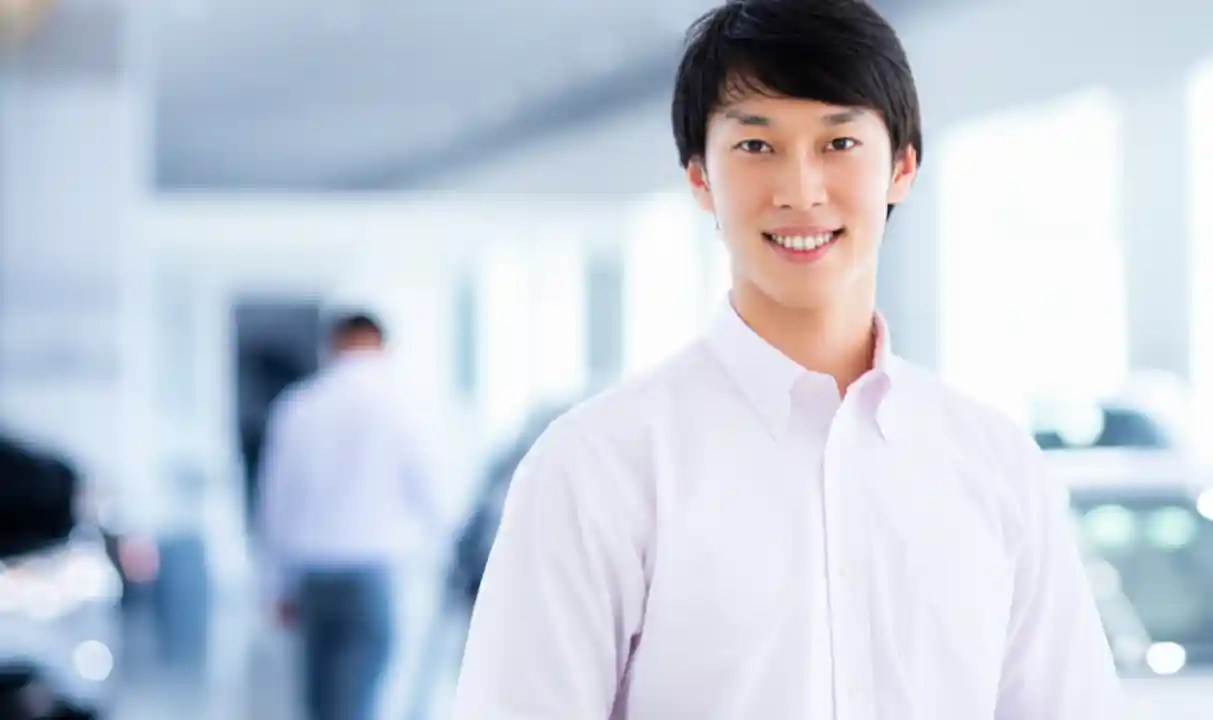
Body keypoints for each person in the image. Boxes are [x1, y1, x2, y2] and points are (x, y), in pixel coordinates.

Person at [453, 0, 1122, 717]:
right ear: (699, 177)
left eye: (839, 143)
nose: (801, 191)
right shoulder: (599, 467)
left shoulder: (995, 465)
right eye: (756, 145)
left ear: (901, 167)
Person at [257, 312, 439, 720]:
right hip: (371, 576)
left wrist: (276, 585)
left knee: (320, 703)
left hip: (312, 575)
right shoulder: (403, 405)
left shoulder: (299, 407)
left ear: (333, 345)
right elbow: (431, 492)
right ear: (383, 346)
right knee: (358, 701)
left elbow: (276, 502)